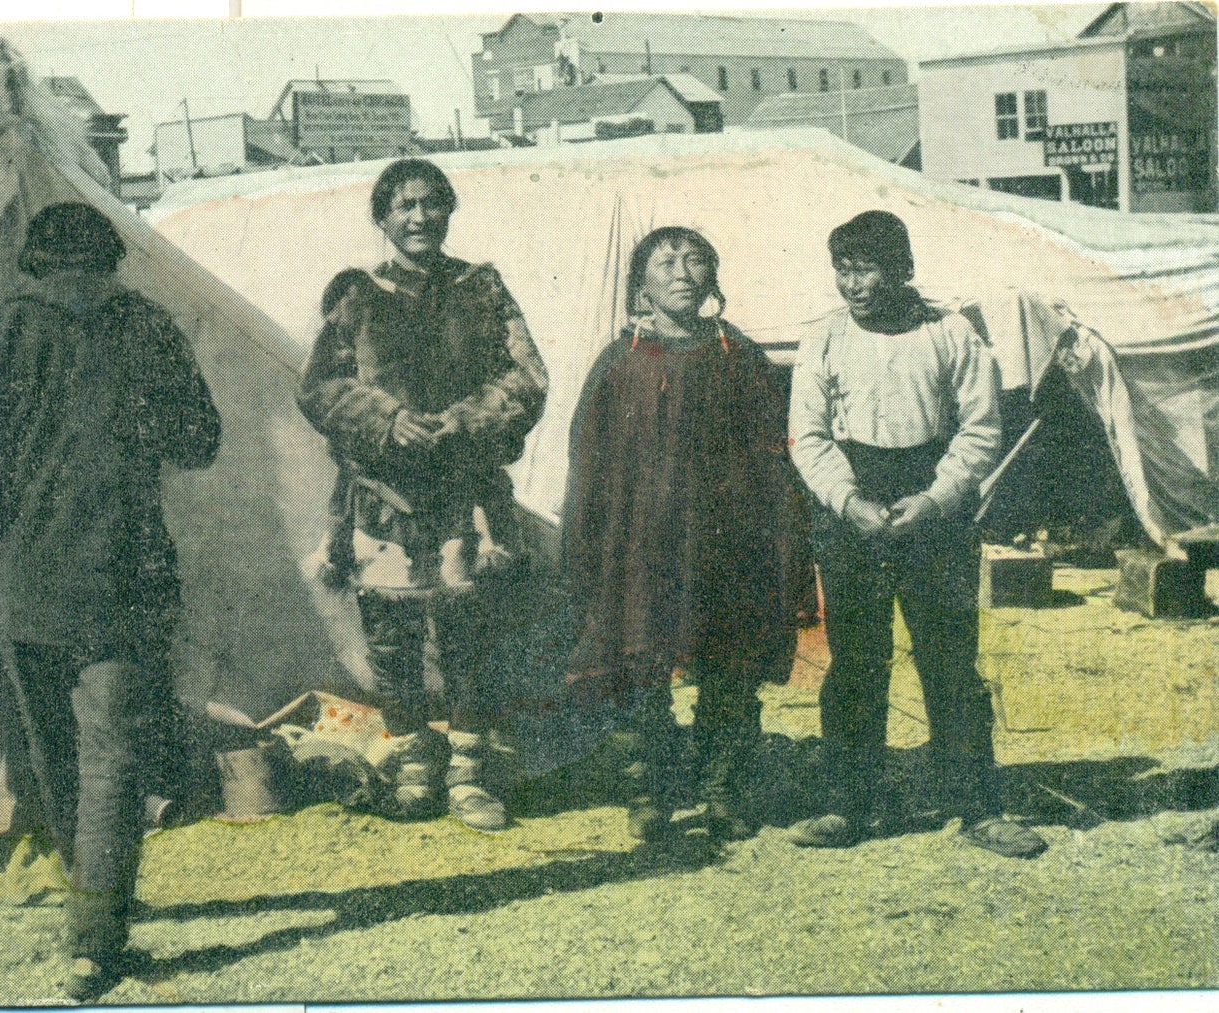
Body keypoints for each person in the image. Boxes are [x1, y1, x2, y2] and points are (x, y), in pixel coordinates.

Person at [0, 202, 221, 998]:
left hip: (22, 584)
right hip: (121, 576)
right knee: (112, 758)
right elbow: (200, 440)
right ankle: (96, 934)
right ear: (110, 257)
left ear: (33, 262)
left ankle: (91, 908)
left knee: (57, 752)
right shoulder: (148, 327)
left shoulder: (3, 334)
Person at [786, 210, 1047, 859]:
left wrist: (935, 498)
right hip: (853, 511)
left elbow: (982, 429)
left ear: (901, 269)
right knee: (855, 662)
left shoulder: (952, 333)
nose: (854, 283)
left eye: (866, 268)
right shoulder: (822, 339)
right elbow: (809, 435)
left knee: (950, 661)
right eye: (843, 269)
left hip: (934, 511)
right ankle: (848, 803)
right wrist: (848, 501)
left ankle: (978, 807)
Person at [298, 158, 548, 832]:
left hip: (463, 492)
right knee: (392, 635)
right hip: (384, 499)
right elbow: (319, 386)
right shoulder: (357, 295)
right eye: (403, 205)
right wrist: (384, 417)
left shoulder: (482, 289)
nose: (418, 217)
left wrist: (464, 419)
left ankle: (470, 768)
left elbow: (526, 378)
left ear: (448, 212)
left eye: (431, 203)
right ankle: (412, 760)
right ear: (381, 218)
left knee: (467, 631)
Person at [563, 226, 809, 842]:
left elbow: (773, 453)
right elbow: (589, 461)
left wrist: (776, 534)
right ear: (640, 282)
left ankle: (725, 786)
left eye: (693, 259)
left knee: (729, 665)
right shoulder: (620, 362)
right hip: (642, 542)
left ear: (712, 276)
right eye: (664, 261)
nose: (680, 271)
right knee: (641, 666)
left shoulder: (738, 355)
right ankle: (649, 790)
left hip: (727, 541)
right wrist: (590, 542)